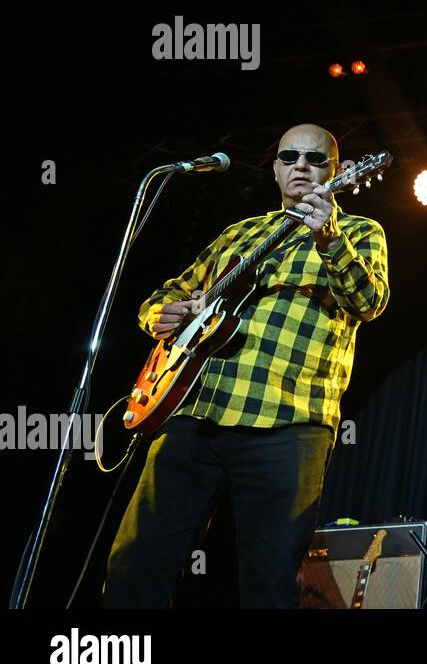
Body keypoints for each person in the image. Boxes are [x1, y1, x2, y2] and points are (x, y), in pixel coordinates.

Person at [101, 124, 390, 607]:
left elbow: (369, 301)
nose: (301, 166)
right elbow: (167, 293)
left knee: (269, 582)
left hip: (288, 422)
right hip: (194, 412)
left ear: (337, 171)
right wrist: (161, 315)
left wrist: (329, 238)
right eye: (290, 157)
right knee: (136, 565)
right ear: (275, 169)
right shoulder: (240, 233)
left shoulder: (360, 232)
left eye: (316, 159)